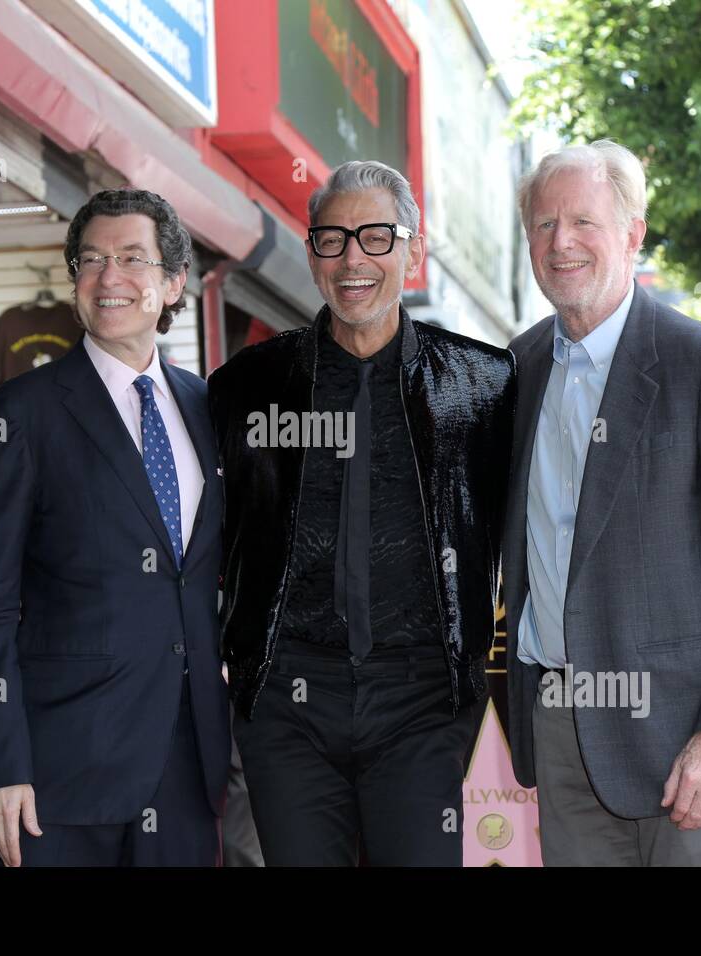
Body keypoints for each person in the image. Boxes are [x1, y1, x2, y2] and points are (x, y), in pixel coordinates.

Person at [502, 140, 701, 866]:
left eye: (584, 221)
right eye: (544, 225)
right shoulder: (516, 371)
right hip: (560, 736)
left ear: (633, 233)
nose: (562, 242)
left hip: (689, 745)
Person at [209, 160, 516, 865]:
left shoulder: (484, 384)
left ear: (413, 251)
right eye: (333, 239)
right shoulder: (246, 387)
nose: (354, 259)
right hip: (287, 703)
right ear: (312, 251)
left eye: (377, 237)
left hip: (424, 703)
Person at [0, 188, 230, 867]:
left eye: (133, 258)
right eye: (92, 259)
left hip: (189, 768)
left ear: (172, 284)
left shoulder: (209, 407)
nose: (109, 278)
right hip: (57, 777)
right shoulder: (20, 413)